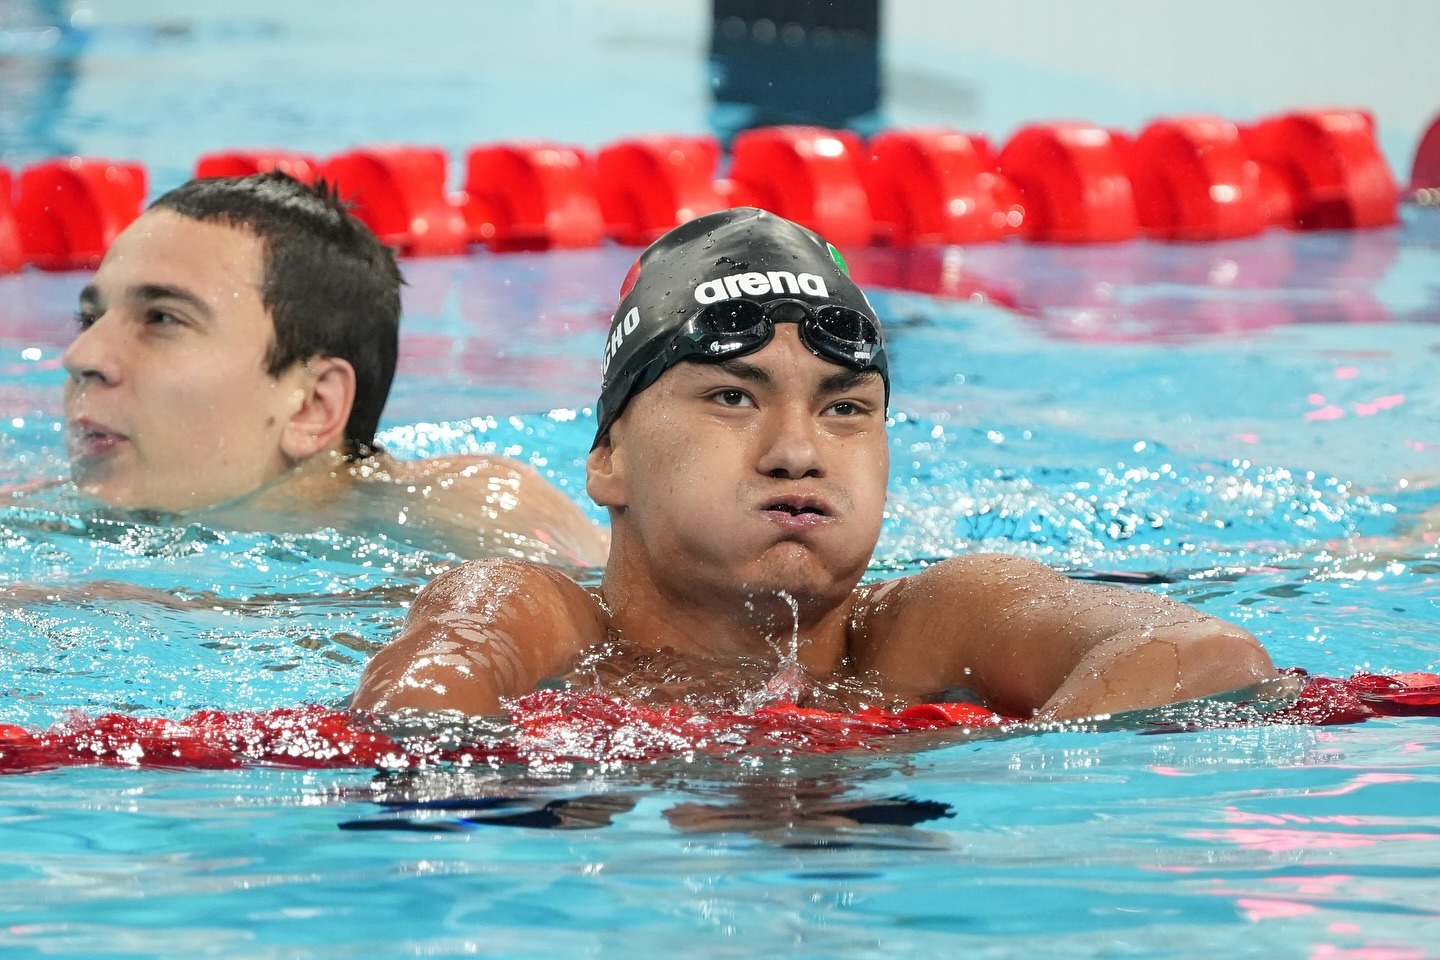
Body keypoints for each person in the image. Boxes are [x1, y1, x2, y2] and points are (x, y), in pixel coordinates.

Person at [352, 207, 1277, 721]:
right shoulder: (541, 612)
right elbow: (420, 709)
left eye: (845, 409)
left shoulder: (936, 621)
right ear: (608, 460)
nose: (797, 453)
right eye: (732, 397)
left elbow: (1213, 656)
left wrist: (982, 767)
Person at [59, 171, 606, 568]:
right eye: (91, 316)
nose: (82, 356)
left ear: (313, 405)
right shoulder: (49, 515)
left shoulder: (470, 516)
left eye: (162, 318)